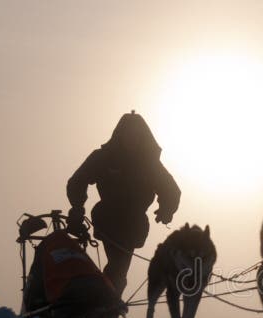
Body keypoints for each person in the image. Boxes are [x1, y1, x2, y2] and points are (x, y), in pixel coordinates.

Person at [66, 111, 181, 297]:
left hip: (133, 223)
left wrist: (166, 209)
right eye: (128, 134)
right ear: (119, 134)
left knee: (119, 268)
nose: (132, 139)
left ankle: (104, 302)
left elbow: (171, 190)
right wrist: (78, 207)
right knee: (118, 267)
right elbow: (76, 182)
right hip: (107, 218)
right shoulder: (104, 157)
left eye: (136, 135)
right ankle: (106, 303)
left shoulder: (150, 164)